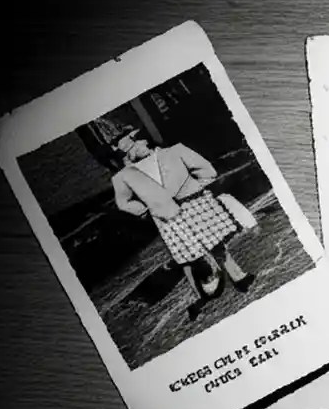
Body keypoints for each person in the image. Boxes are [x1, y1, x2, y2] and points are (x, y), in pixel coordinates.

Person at [109, 127, 255, 305]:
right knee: (190, 254)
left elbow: (206, 169)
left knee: (216, 243)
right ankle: (206, 281)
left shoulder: (175, 151)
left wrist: (196, 189)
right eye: (126, 152)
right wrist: (148, 208)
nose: (131, 154)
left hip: (196, 204)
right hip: (166, 217)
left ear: (143, 141)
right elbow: (123, 203)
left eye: (133, 146)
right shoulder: (123, 176)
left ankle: (238, 275)